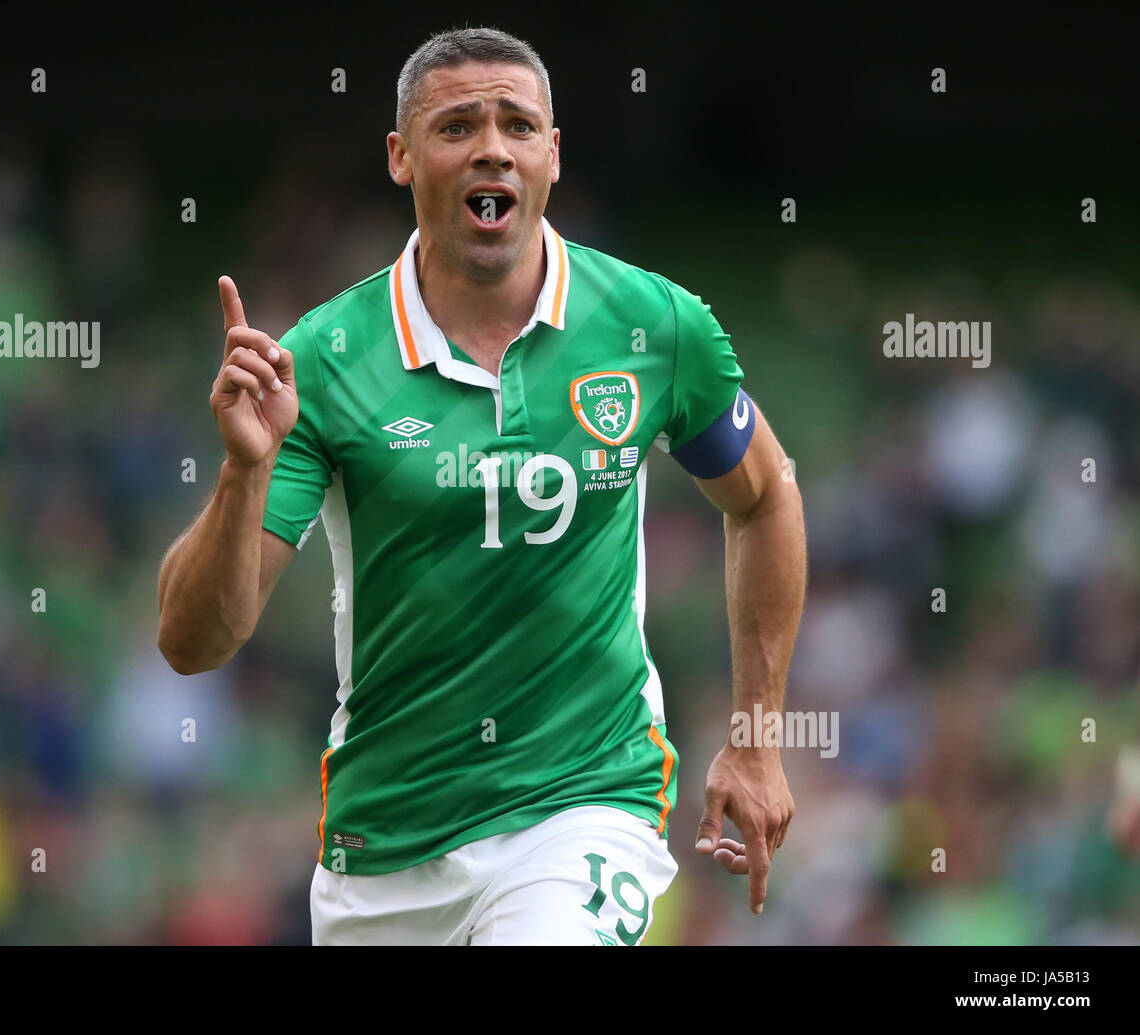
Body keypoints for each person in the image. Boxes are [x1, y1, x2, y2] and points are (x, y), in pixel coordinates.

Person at [157, 26, 807, 945]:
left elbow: (767, 494)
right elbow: (196, 641)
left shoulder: (652, 325)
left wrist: (754, 736)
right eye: (457, 125)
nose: (492, 146)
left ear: (550, 154)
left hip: (586, 799)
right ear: (401, 157)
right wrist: (242, 471)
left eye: (517, 124)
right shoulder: (324, 362)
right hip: (388, 841)